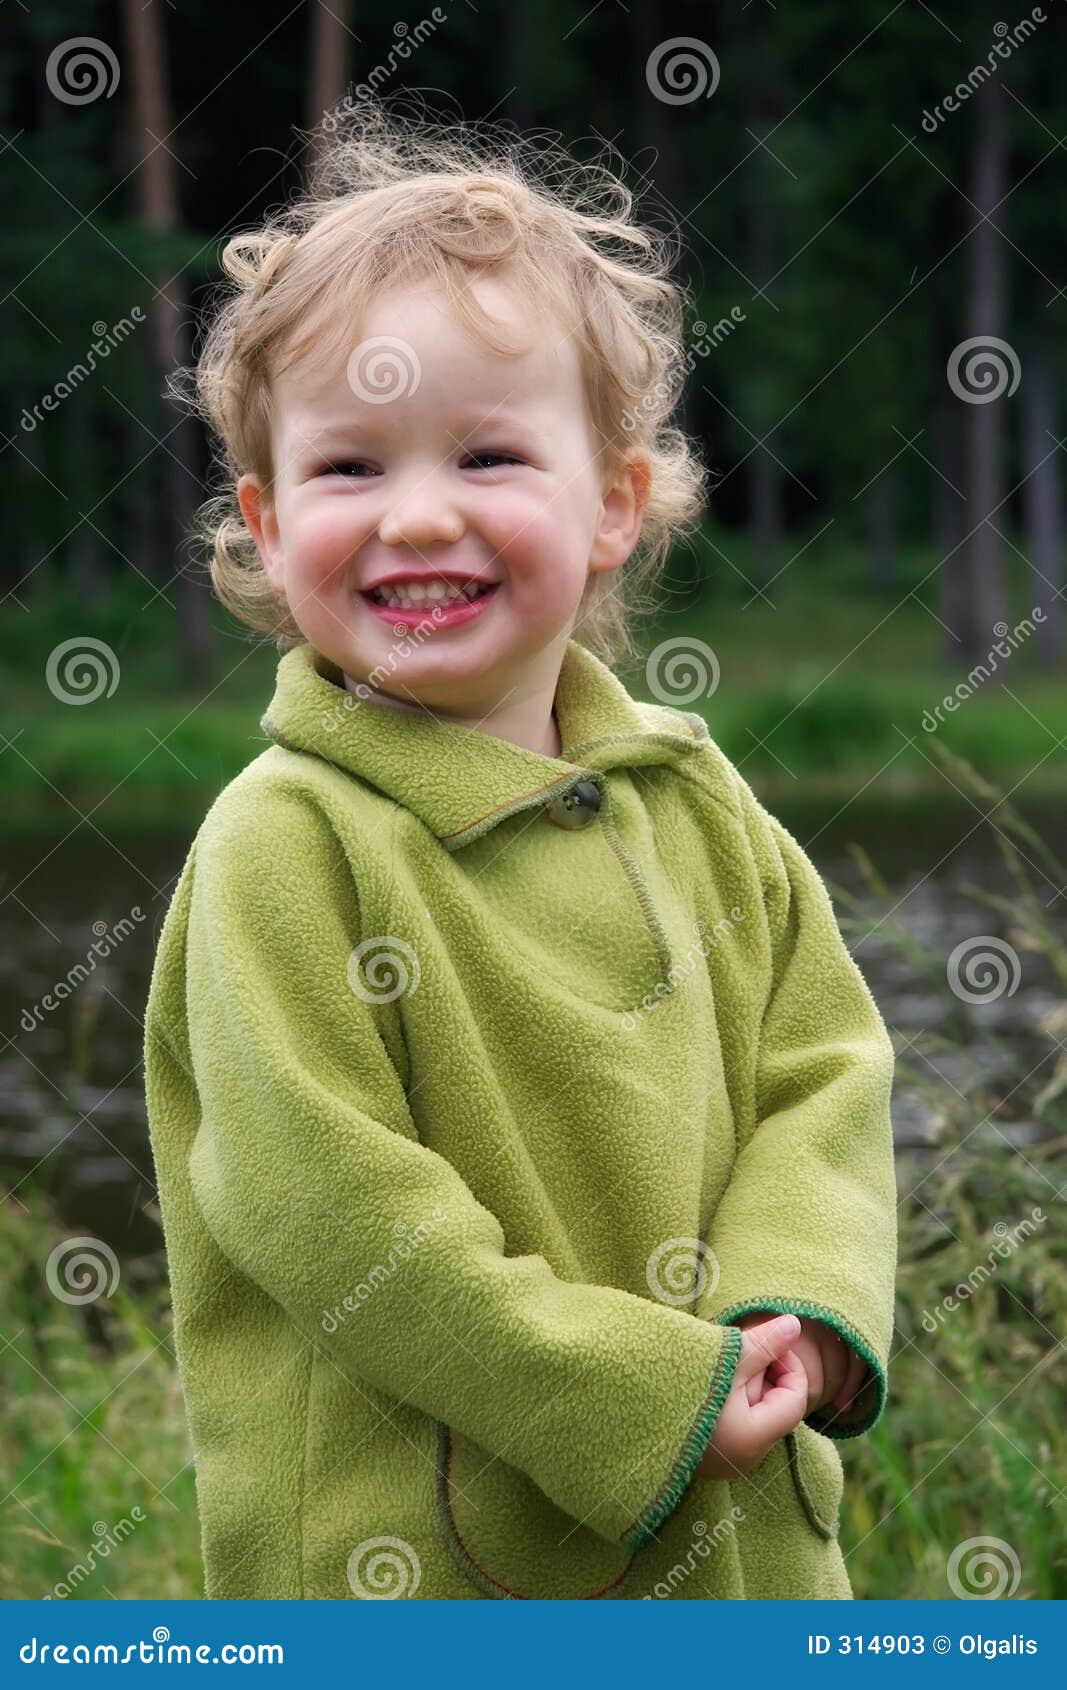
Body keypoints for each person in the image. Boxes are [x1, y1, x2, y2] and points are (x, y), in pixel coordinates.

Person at [143, 100, 896, 1601]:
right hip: (423, 1580)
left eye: (489, 454)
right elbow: (335, 1212)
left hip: (738, 1569)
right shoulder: (283, 844)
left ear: (614, 502)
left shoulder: (702, 808)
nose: (419, 517)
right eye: (350, 469)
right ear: (267, 517)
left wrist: (798, 1300)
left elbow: (828, 1071)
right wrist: (637, 1390)